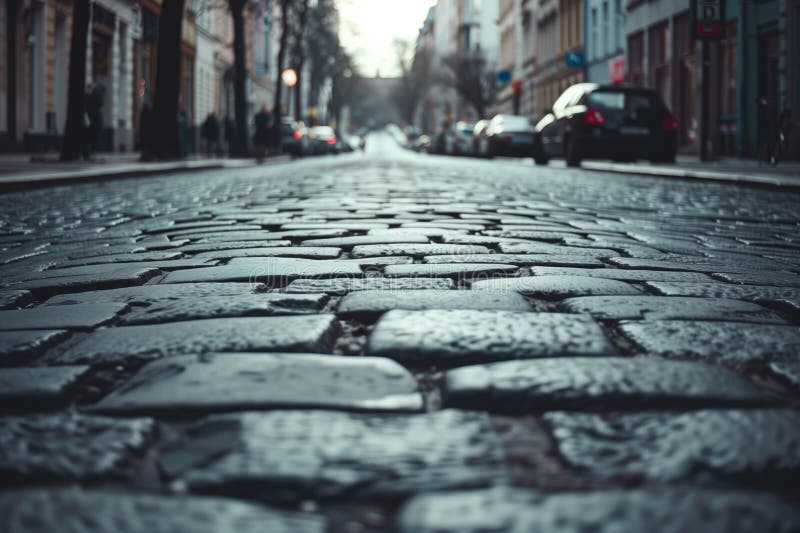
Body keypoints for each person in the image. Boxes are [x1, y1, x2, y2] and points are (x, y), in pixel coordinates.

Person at [84, 83, 104, 160]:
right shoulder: (97, 95)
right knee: (92, 136)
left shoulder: (87, 96)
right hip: (93, 119)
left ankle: (90, 150)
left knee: (89, 136)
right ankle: (91, 150)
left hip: (90, 119)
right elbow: (100, 105)